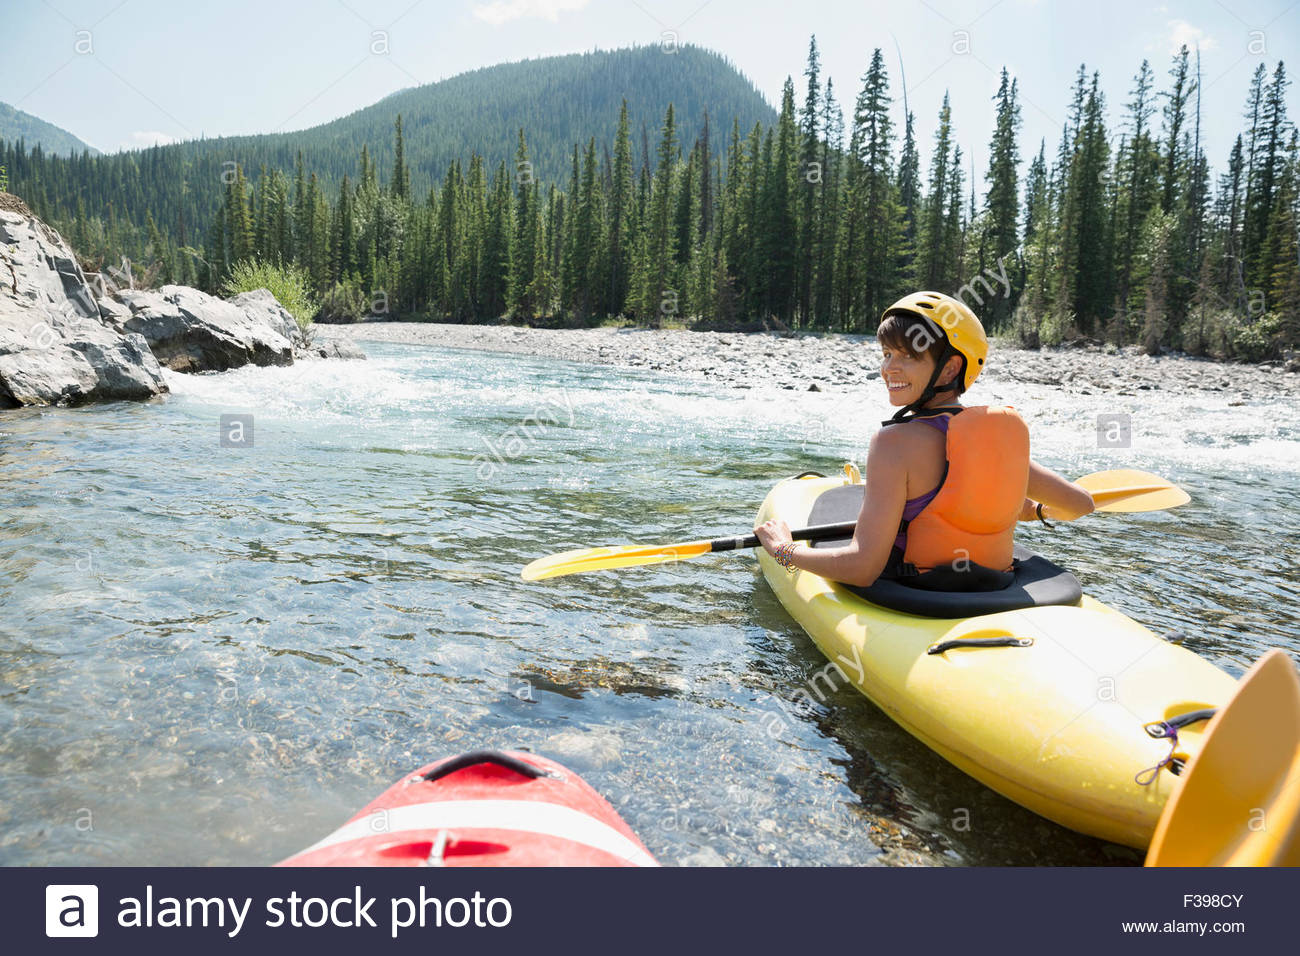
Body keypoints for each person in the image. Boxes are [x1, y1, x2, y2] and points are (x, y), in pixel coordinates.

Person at [755, 291, 1095, 590]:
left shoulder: (893, 443)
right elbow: (1080, 504)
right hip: (994, 584)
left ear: (949, 369)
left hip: (918, 590)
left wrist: (785, 551)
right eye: (887, 354)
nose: (889, 368)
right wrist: (1031, 510)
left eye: (908, 356)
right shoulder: (995, 439)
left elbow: (862, 569)